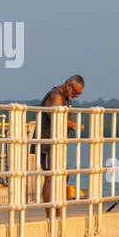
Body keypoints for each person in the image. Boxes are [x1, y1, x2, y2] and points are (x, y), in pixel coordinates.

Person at [35, 74, 85, 212]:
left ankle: (57, 207)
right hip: (47, 142)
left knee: (63, 174)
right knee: (51, 176)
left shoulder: (67, 97)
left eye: (79, 94)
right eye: (75, 92)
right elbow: (56, 115)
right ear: (68, 85)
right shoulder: (55, 95)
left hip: (58, 144)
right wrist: (73, 125)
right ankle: (51, 212)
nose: (76, 96)